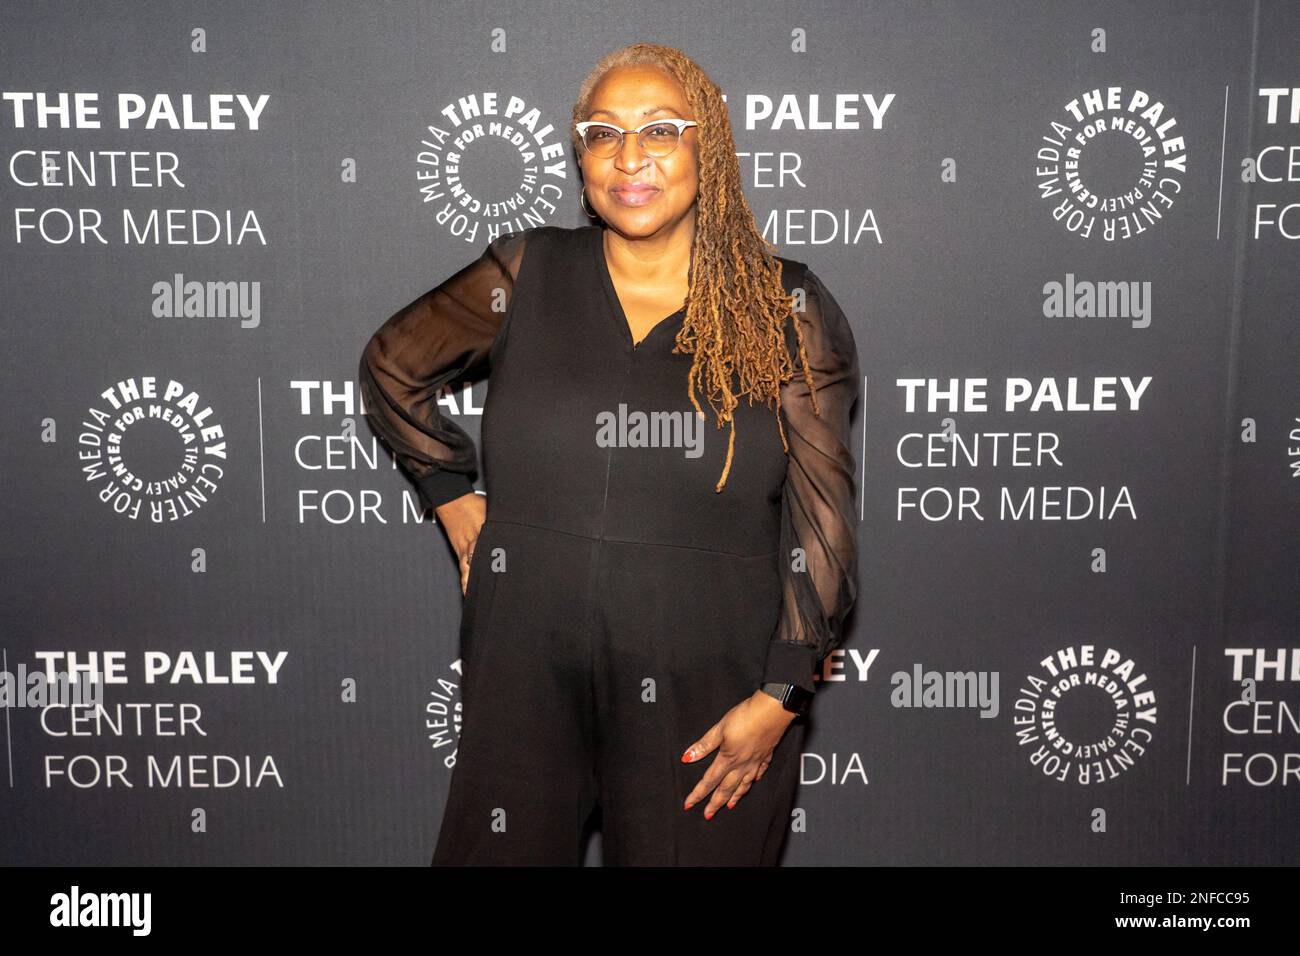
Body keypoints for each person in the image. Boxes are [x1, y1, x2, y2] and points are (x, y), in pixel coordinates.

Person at [358, 42, 861, 866]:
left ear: (711, 148)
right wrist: (451, 494)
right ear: (581, 156)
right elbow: (392, 364)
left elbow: (823, 515)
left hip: (707, 674)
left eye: (661, 131)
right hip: (524, 660)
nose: (630, 158)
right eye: (603, 134)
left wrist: (781, 691)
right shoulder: (526, 273)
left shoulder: (786, 306)